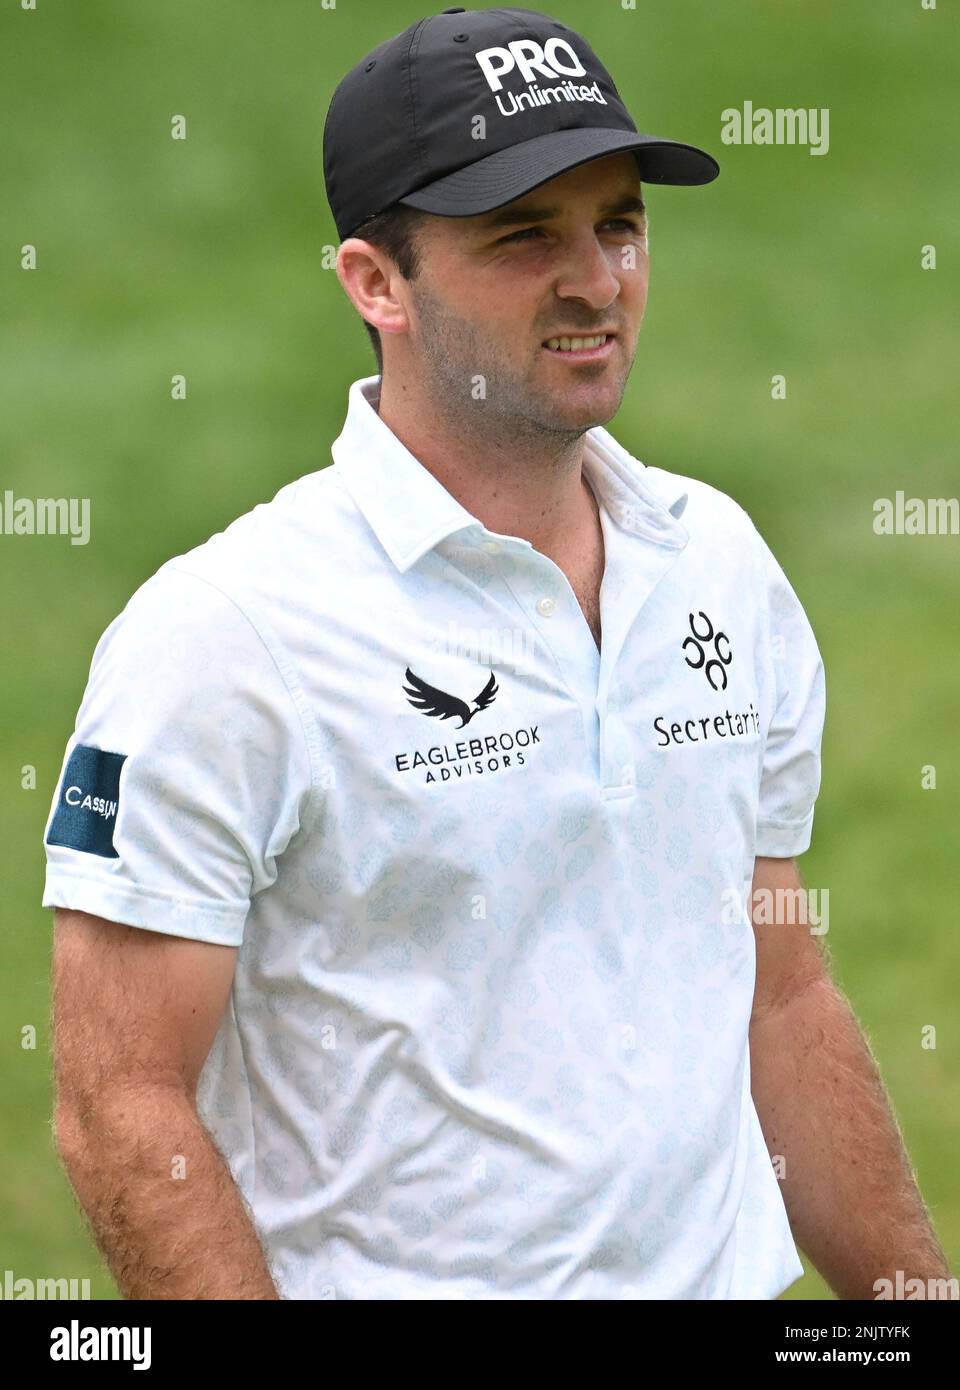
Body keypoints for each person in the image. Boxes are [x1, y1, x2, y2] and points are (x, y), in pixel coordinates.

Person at [44, 6, 950, 1300]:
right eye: (526, 236)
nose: (598, 278)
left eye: (620, 223)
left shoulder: (721, 565)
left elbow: (781, 993)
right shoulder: (224, 637)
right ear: (374, 282)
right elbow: (121, 1109)